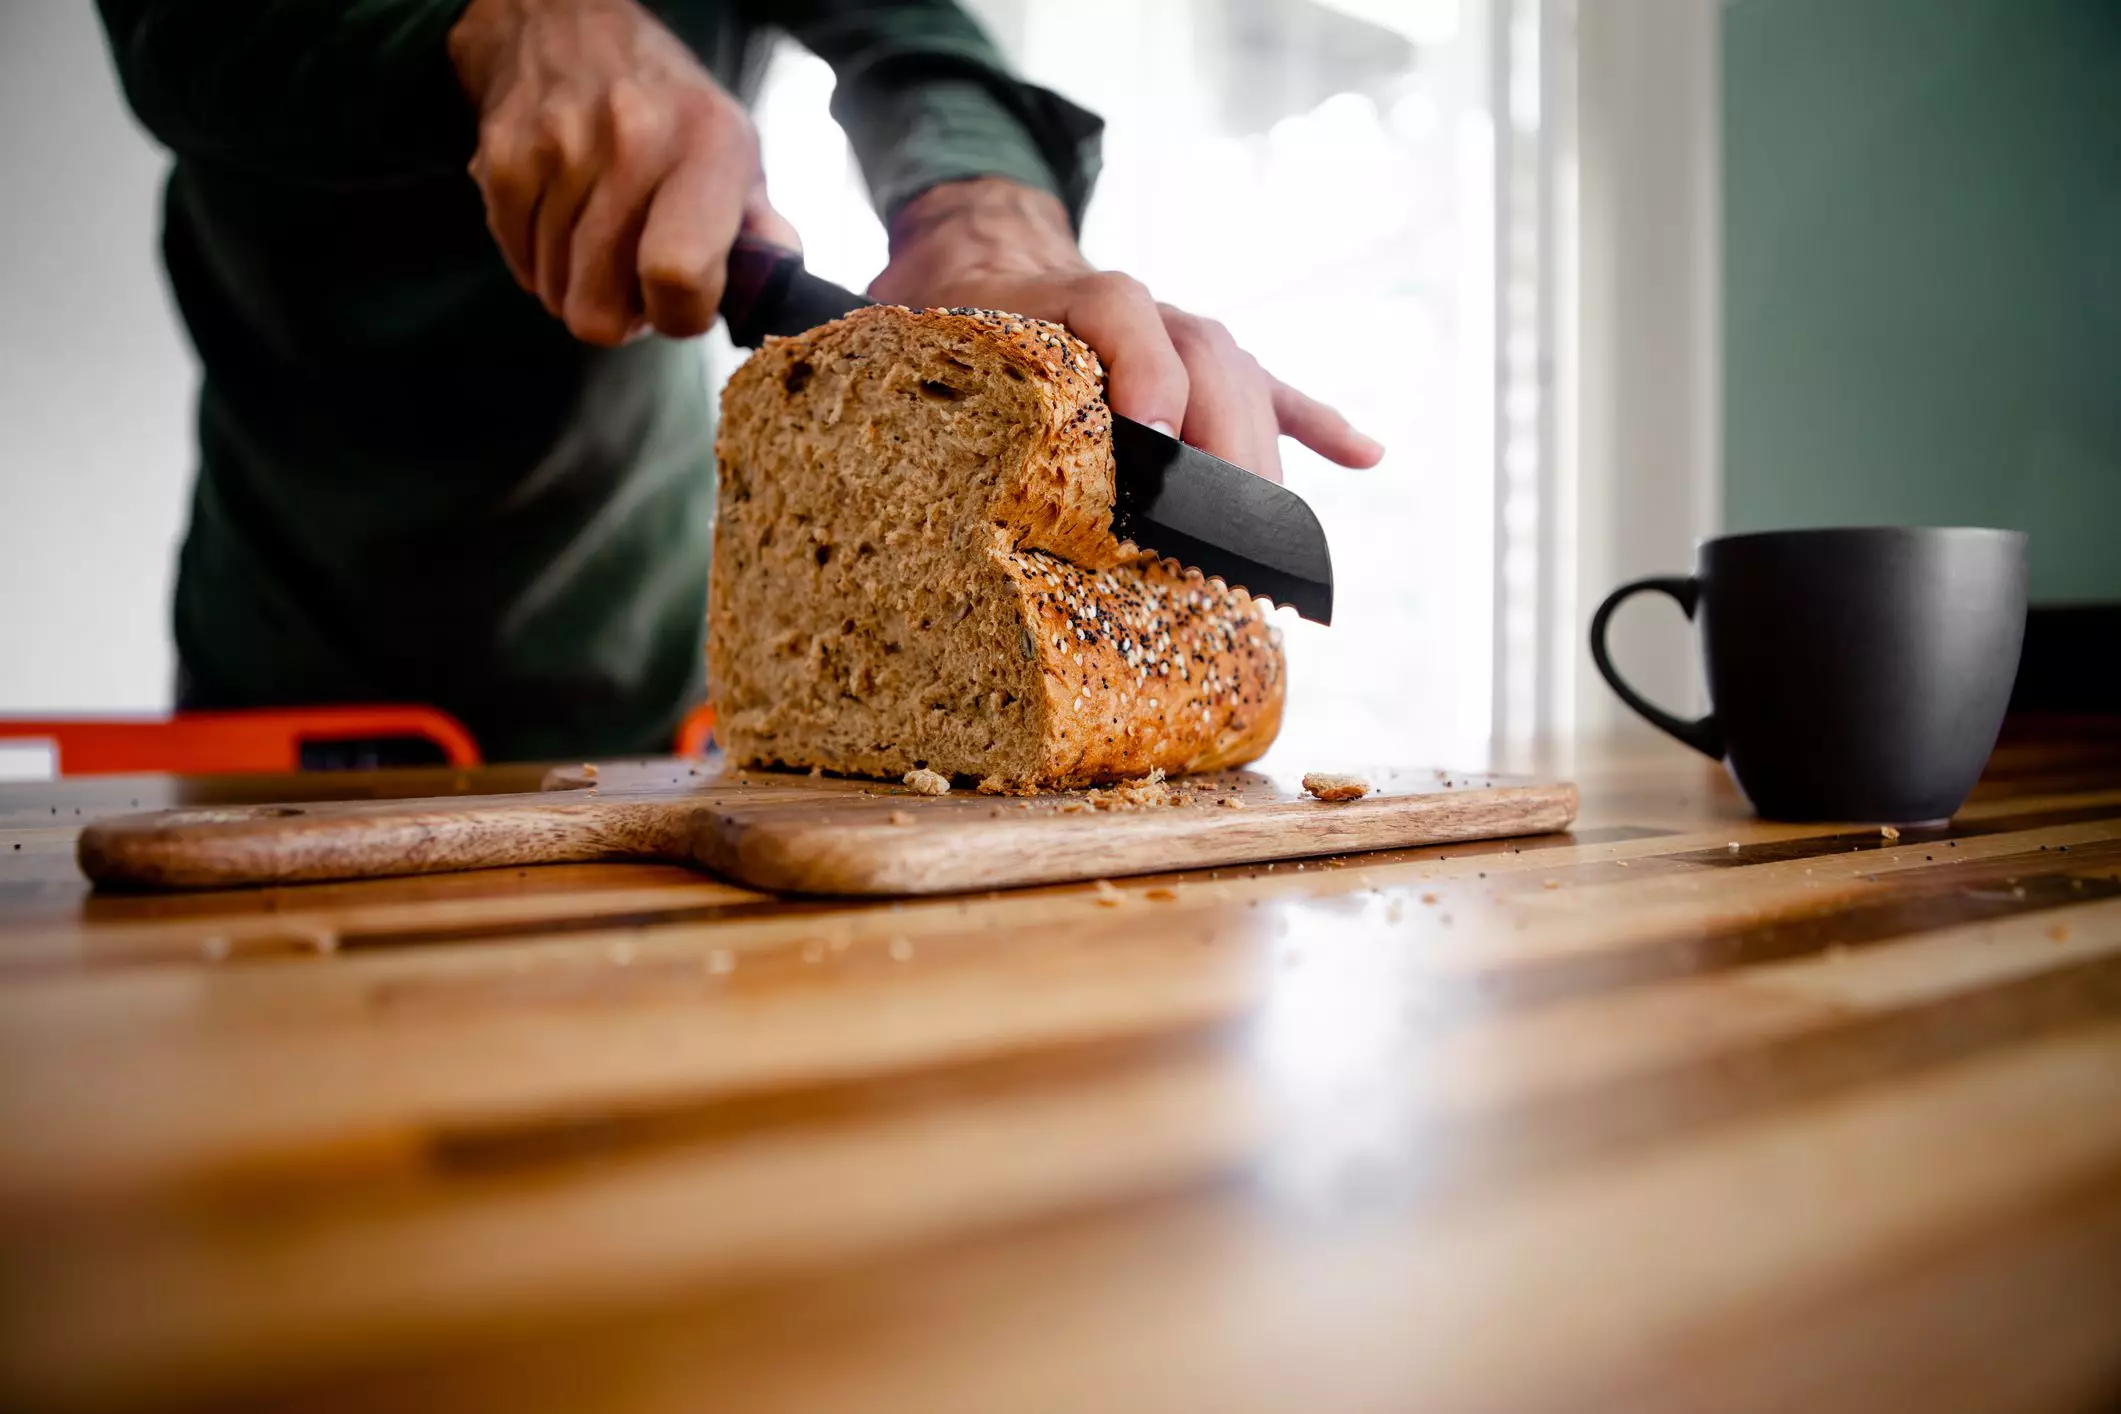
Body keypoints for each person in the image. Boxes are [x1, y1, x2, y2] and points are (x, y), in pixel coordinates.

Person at [95, 0, 1383, 761]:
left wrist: (980, 211)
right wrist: (485, 22)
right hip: (295, 656)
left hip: (665, 684)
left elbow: (916, 35)